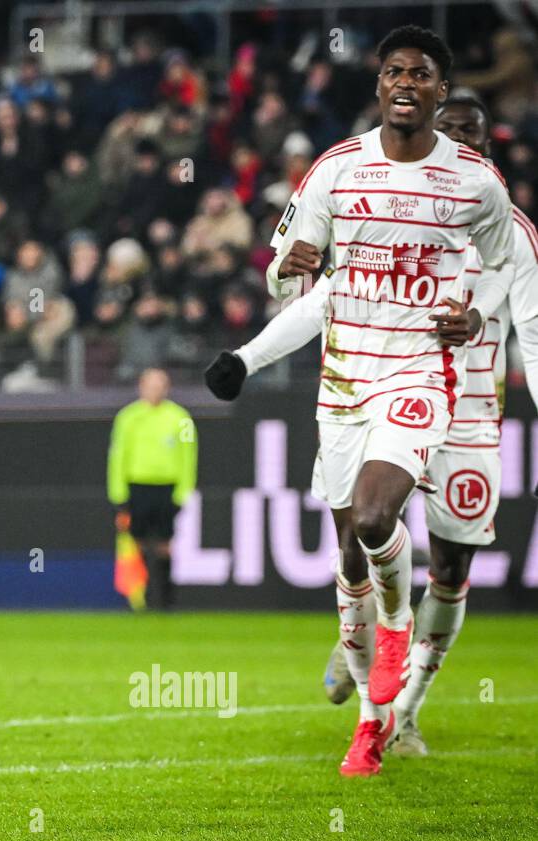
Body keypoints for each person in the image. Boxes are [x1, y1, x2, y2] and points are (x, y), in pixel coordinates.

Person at [202, 26, 516, 777]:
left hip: (426, 380)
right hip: (344, 385)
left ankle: (400, 651)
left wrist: (476, 314)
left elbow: (509, 269)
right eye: (395, 71)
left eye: (423, 74)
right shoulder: (337, 169)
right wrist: (287, 268)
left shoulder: (476, 183)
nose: (407, 83)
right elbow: (292, 273)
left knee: (385, 520)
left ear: (441, 91)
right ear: (379, 84)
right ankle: (367, 692)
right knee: (351, 547)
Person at [107, 367, 197, 610]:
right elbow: (118, 456)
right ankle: (140, 599)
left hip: (167, 488)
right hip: (137, 487)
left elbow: (189, 456)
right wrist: (119, 494)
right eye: (150, 385)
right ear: (141, 387)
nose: (155, 390)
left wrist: (183, 492)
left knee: (165, 544)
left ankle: (166, 598)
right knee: (136, 544)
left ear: (167, 388)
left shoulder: (182, 418)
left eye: (160, 385)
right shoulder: (127, 417)